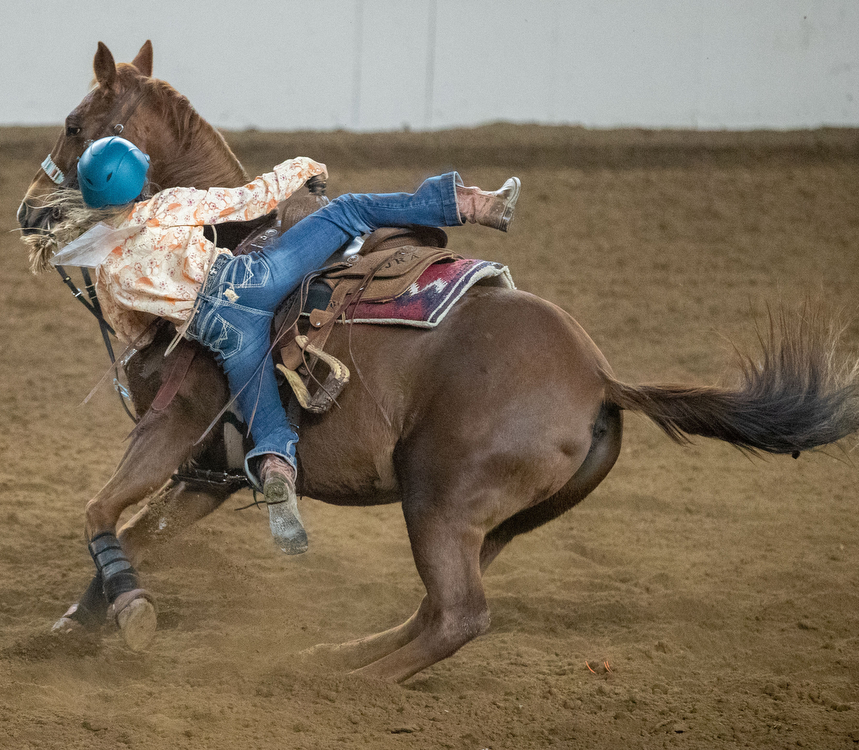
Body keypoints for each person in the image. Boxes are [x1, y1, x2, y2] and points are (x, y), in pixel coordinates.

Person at [69, 136, 520, 555]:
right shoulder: (167, 205)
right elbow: (248, 200)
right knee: (350, 210)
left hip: (221, 332)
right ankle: (473, 204)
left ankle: (277, 470)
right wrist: (301, 168)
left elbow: (127, 326)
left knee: (263, 416)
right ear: (141, 177)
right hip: (251, 282)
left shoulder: (104, 262)